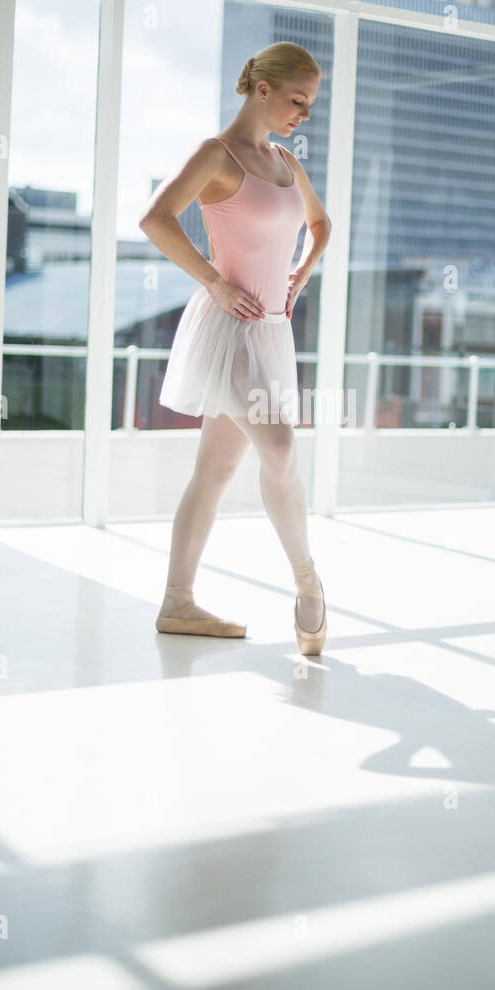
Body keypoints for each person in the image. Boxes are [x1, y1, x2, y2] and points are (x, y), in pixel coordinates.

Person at [138, 42, 331, 655]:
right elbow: (156, 219)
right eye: (298, 100)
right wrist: (215, 282)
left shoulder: (287, 165)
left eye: (311, 104)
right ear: (263, 88)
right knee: (279, 446)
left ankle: (177, 601)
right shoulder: (215, 155)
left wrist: (299, 274)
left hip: (273, 329)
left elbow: (320, 226)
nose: (304, 113)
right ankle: (309, 586)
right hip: (231, 325)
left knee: (216, 469)